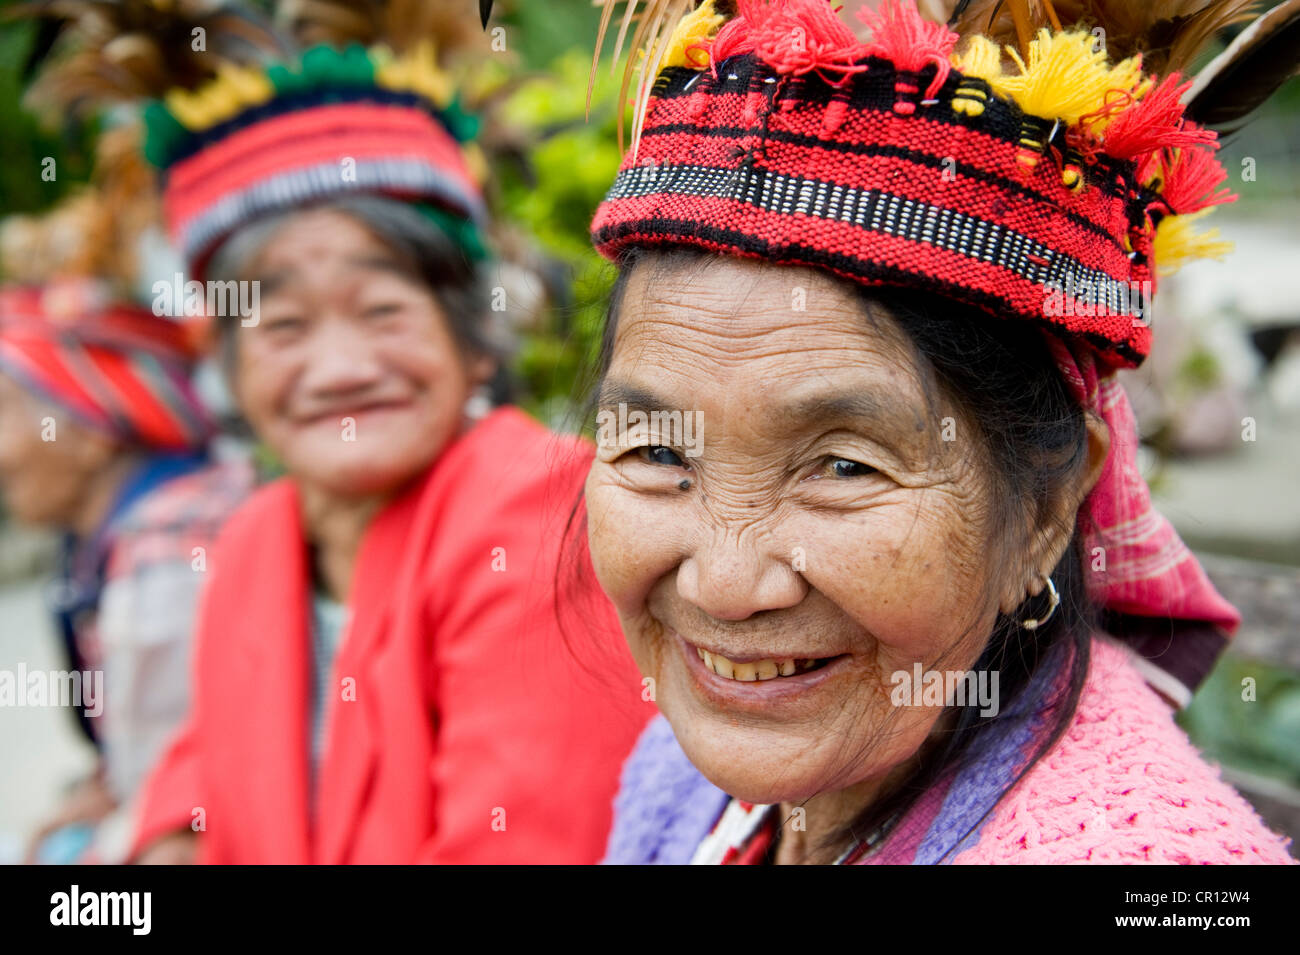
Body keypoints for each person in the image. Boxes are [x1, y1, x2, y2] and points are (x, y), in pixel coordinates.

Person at [581, 0, 1296, 863]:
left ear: (1045, 512)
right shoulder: (687, 779)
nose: (727, 587)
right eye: (658, 452)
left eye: (843, 467)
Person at [129, 40, 650, 864]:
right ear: (230, 367)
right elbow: (208, 772)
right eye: (284, 327)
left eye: (382, 310)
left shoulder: (537, 506)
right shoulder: (256, 539)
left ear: (474, 342)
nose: (339, 370)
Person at [0, 277, 251, 864]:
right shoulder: (138, 531)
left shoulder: (163, 554)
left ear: (91, 430)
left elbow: (178, 819)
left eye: (4, 411)